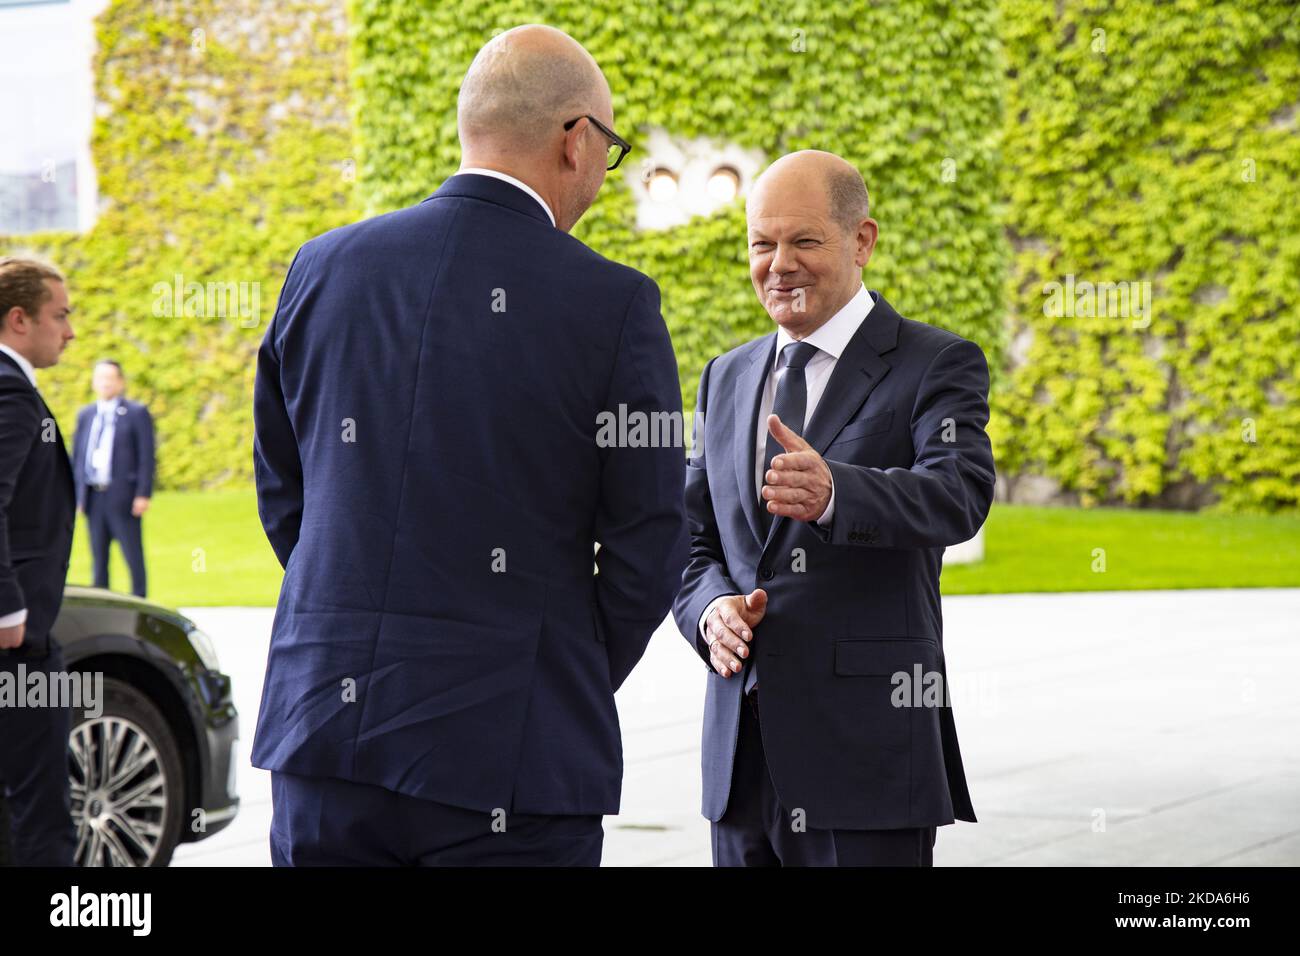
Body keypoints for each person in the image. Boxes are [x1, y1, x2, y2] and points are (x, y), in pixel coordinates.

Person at [251, 24, 687, 866]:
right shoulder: (616, 305)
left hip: (323, 740)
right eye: (612, 148)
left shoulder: (320, 268)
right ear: (575, 140)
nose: (605, 170)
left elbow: (286, 492)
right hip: (511, 758)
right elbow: (649, 539)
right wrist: (559, 674)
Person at [673, 150, 995, 866]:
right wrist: (709, 612)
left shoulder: (936, 363)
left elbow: (960, 495)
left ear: (862, 240)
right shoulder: (725, 376)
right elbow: (691, 541)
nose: (778, 263)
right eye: (762, 244)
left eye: (803, 241)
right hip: (740, 759)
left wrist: (837, 494)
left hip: (868, 757)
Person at [0, 256, 78, 865]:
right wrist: (10, 615)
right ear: (19, 319)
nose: (70, 331)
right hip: (18, 646)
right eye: (62, 315)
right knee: (42, 816)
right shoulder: (12, 392)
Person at [72, 359, 155, 597]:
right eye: (100, 378)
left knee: (132, 556)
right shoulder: (86, 414)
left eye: (110, 378)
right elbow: (77, 456)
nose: (105, 383)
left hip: (124, 496)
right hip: (93, 496)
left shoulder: (136, 413)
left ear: (120, 382)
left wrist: (143, 493)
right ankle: (102, 605)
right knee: (99, 558)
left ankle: (140, 604)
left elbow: (146, 455)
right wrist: (77, 495)